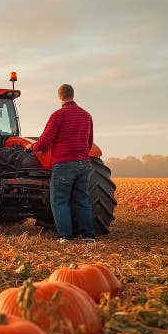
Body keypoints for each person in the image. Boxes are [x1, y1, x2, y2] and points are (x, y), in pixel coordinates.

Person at [29, 84, 96, 243]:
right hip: (84, 164)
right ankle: (88, 236)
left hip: (65, 163)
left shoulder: (57, 116)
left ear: (60, 96)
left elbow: (45, 141)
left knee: (60, 199)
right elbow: (89, 141)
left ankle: (65, 236)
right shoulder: (86, 116)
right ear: (72, 95)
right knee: (82, 199)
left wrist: (31, 146)